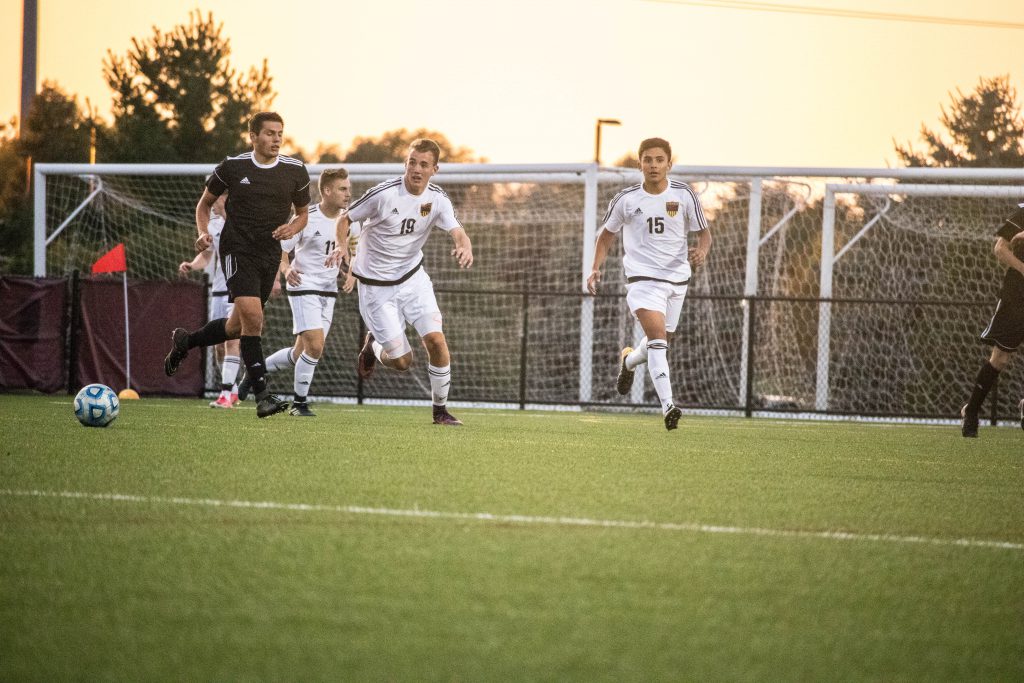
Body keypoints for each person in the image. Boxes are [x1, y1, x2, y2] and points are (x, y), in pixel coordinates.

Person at [163, 111, 311, 419]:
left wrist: (292, 228)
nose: (276, 139)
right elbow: (204, 204)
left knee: (235, 327)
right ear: (253, 137)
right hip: (237, 251)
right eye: (269, 133)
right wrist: (203, 232)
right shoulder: (232, 167)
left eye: (280, 133)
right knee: (254, 320)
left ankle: (185, 341)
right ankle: (262, 396)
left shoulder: (295, 170)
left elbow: (302, 215)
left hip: (269, 255)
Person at [328, 138, 473, 426]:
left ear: (434, 169)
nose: (416, 169)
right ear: (405, 163)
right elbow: (344, 220)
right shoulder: (384, 194)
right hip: (375, 288)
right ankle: (373, 346)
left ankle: (440, 411)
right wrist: (342, 248)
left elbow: (458, 231)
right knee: (403, 362)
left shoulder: (438, 199)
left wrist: (464, 246)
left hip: (413, 279)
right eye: (412, 162)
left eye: (423, 164)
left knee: (436, 340)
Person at [587, 137, 712, 431]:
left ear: (669, 164)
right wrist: (594, 268)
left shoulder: (684, 195)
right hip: (642, 279)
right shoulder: (626, 199)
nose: (653, 165)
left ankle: (629, 361)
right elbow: (605, 237)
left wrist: (702, 251)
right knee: (658, 341)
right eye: (648, 160)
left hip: (677, 279)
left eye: (659, 160)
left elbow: (704, 234)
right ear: (639, 163)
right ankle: (668, 406)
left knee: (662, 340)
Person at [238, 168, 357, 416]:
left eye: (349, 189)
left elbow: (355, 249)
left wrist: (352, 273)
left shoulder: (350, 220)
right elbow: (282, 248)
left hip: (328, 290)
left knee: (299, 353)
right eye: (342, 189)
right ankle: (299, 404)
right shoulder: (306, 218)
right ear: (326, 191)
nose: (348, 194)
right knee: (315, 346)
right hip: (303, 285)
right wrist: (286, 268)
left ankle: (255, 371)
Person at [960, 203, 1024, 437]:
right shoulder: (1022, 213)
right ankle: (971, 411)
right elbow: (1000, 249)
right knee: (1000, 358)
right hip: (1017, 297)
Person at [177, 192, 243, 409]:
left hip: (239, 289)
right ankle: (233, 390)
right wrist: (192, 264)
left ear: (225, 198)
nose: (211, 205)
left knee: (233, 340)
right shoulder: (212, 225)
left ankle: (225, 394)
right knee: (219, 346)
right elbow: (206, 256)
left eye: (214, 201)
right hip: (219, 290)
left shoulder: (243, 220)